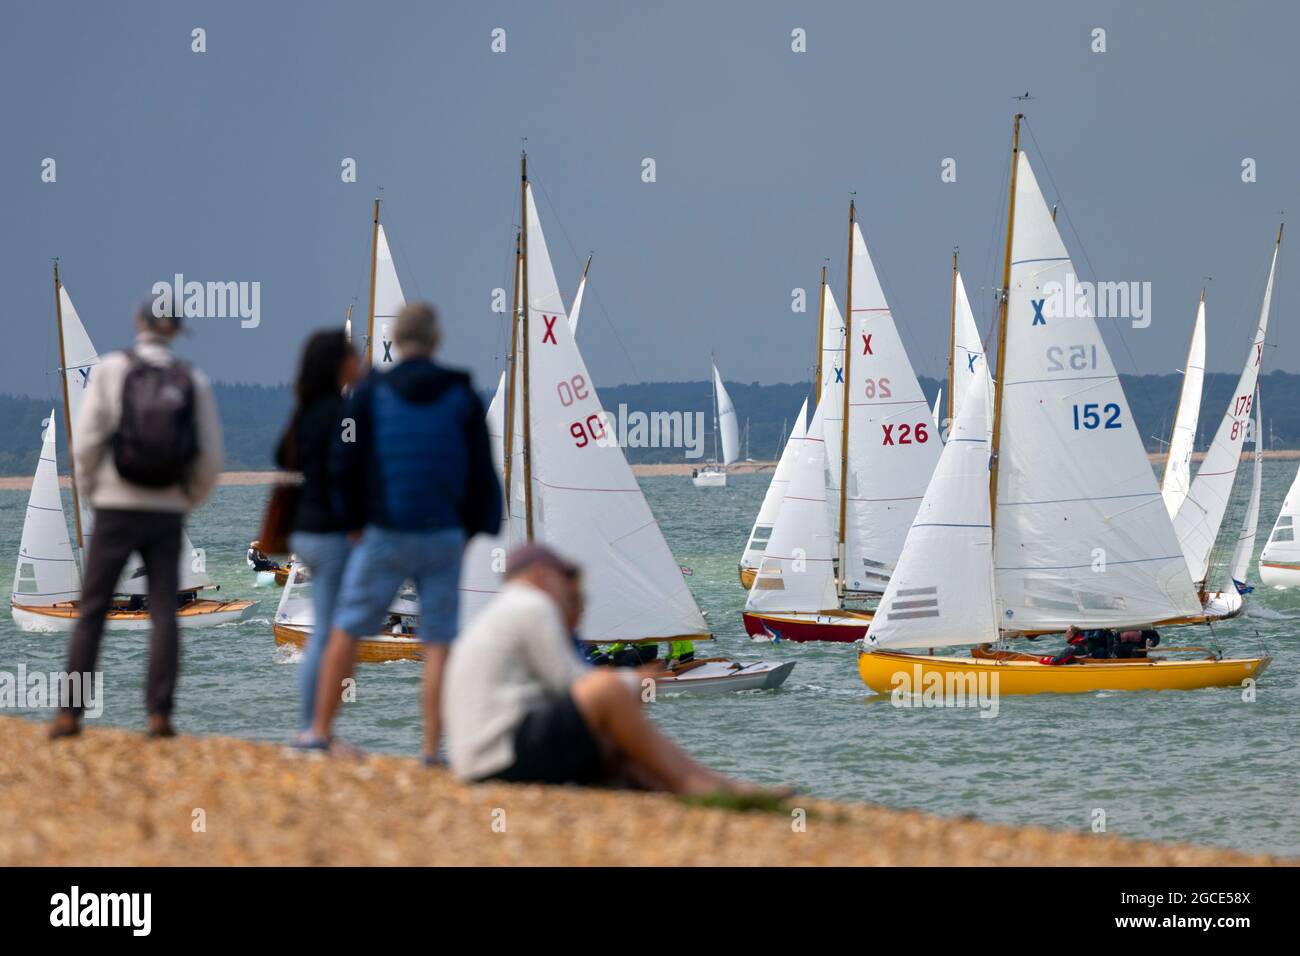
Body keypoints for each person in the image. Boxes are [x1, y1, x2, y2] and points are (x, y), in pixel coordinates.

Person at [305, 302, 500, 763]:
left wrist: (352, 523)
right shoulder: (462, 392)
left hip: (384, 532)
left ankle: (317, 733)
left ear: (395, 339)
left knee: (346, 629)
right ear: (436, 340)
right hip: (443, 535)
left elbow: (344, 458)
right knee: (438, 643)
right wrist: (475, 529)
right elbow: (481, 472)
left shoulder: (370, 393)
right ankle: (432, 750)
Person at [444, 543, 777, 798]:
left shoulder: (503, 612)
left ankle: (698, 788)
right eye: (570, 593)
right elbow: (575, 683)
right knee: (606, 691)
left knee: (614, 744)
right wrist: (634, 682)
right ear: (542, 576)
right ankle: (700, 783)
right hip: (498, 757)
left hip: (479, 758)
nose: (576, 603)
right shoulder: (532, 605)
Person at [51, 300, 223, 739]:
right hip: (166, 510)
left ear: (138, 323)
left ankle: (70, 715)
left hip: (114, 506)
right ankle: (160, 716)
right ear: (177, 331)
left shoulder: (111, 369)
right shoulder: (193, 380)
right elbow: (209, 460)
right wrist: (185, 500)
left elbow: (86, 443)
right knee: (165, 612)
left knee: (91, 612)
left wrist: (94, 492)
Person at [275, 330, 362, 740]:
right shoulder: (344, 413)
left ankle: (315, 728)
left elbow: (282, 454)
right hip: (332, 533)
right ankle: (315, 731)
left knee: (329, 631)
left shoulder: (305, 410)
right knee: (331, 634)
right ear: (340, 364)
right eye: (353, 355)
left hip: (304, 531)